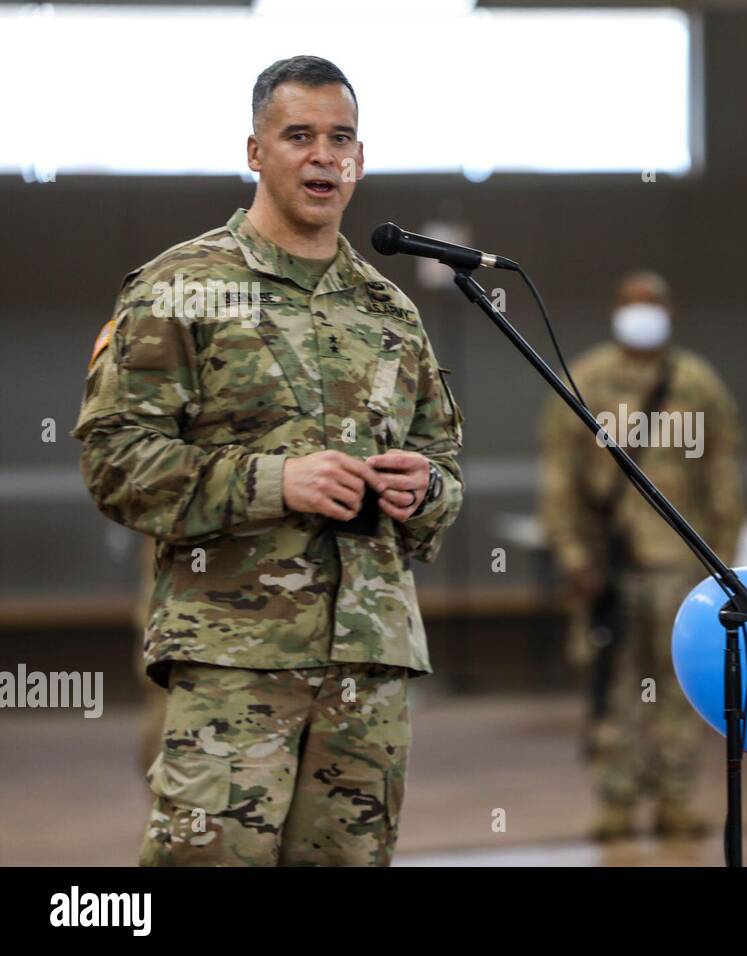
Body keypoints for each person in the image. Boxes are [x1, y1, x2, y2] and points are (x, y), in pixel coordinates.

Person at [73, 55, 464, 866]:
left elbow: (443, 464)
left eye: (341, 138)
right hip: (233, 659)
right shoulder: (180, 287)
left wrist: (423, 489)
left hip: (369, 660)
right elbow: (115, 460)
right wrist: (272, 481)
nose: (324, 156)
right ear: (255, 152)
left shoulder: (388, 309)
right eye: (299, 136)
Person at [539, 272, 747, 840]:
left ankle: (676, 799)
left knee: (682, 683)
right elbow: (561, 478)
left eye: (651, 305)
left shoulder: (696, 383)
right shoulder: (585, 379)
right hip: (611, 564)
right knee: (615, 683)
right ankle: (617, 801)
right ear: (615, 311)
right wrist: (574, 555)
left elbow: (723, 476)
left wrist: (722, 563)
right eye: (632, 305)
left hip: (683, 566)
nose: (642, 314)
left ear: (669, 311)